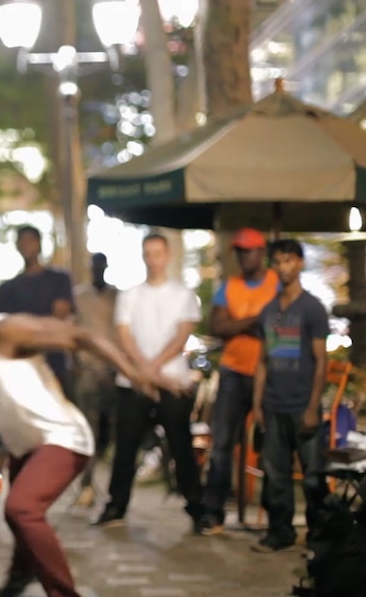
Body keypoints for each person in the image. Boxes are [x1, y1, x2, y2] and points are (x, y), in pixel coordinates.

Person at [0, 271, 179, 597]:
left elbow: (80, 336)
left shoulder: (5, 329)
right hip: (28, 447)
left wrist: (134, 373)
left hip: (62, 440)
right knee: (20, 517)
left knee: (21, 510)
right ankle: (18, 579)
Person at [95, 233, 204, 531]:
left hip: (173, 381)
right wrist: (145, 371)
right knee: (126, 447)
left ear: (167, 256)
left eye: (157, 253)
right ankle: (116, 506)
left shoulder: (183, 294)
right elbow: (125, 335)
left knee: (181, 445)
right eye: (148, 253)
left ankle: (197, 507)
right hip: (134, 383)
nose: (153, 260)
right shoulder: (130, 295)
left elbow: (181, 335)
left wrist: (153, 369)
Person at [0, 225, 75, 525]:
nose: (27, 246)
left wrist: (29, 337)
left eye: (31, 240)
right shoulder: (8, 288)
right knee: (7, 438)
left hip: (49, 368)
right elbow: (1, 328)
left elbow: (59, 317)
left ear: (40, 244)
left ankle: (32, 502)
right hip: (14, 371)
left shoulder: (59, 280)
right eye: (22, 241)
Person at [251, 239, 330, 553]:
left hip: (302, 405)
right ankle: (279, 532)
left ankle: (320, 534)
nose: (283, 267)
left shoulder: (312, 309)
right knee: (276, 475)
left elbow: (321, 360)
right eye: (278, 261)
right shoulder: (269, 311)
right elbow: (263, 360)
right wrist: (257, 404)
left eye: (289, 261)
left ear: (300, 263)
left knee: (313, 477)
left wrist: (313, 407)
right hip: (273, 405)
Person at [198, 228, 278, 535]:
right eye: (240, 251)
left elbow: (278, 325)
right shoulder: (228, 287)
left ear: (261, 252)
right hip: (234, 372)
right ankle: (213, 512)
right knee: (222, 445)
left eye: (250, 251)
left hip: (268, 374)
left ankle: (273, 515)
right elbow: (217, 325)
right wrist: (253, 322)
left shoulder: (274, 284)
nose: (244, 257)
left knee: (270, 445)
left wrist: (237, 325)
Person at [70, 253, 118, 509]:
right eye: (94, 266)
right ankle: (85, 485)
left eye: (101, 265)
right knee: (87, 428)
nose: (97, 270)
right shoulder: (78, 296)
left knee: (110, 431)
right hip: (87, 371)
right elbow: (71, 330)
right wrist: (75, 362)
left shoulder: (117, 297)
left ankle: (109, 487)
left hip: (112, 373)